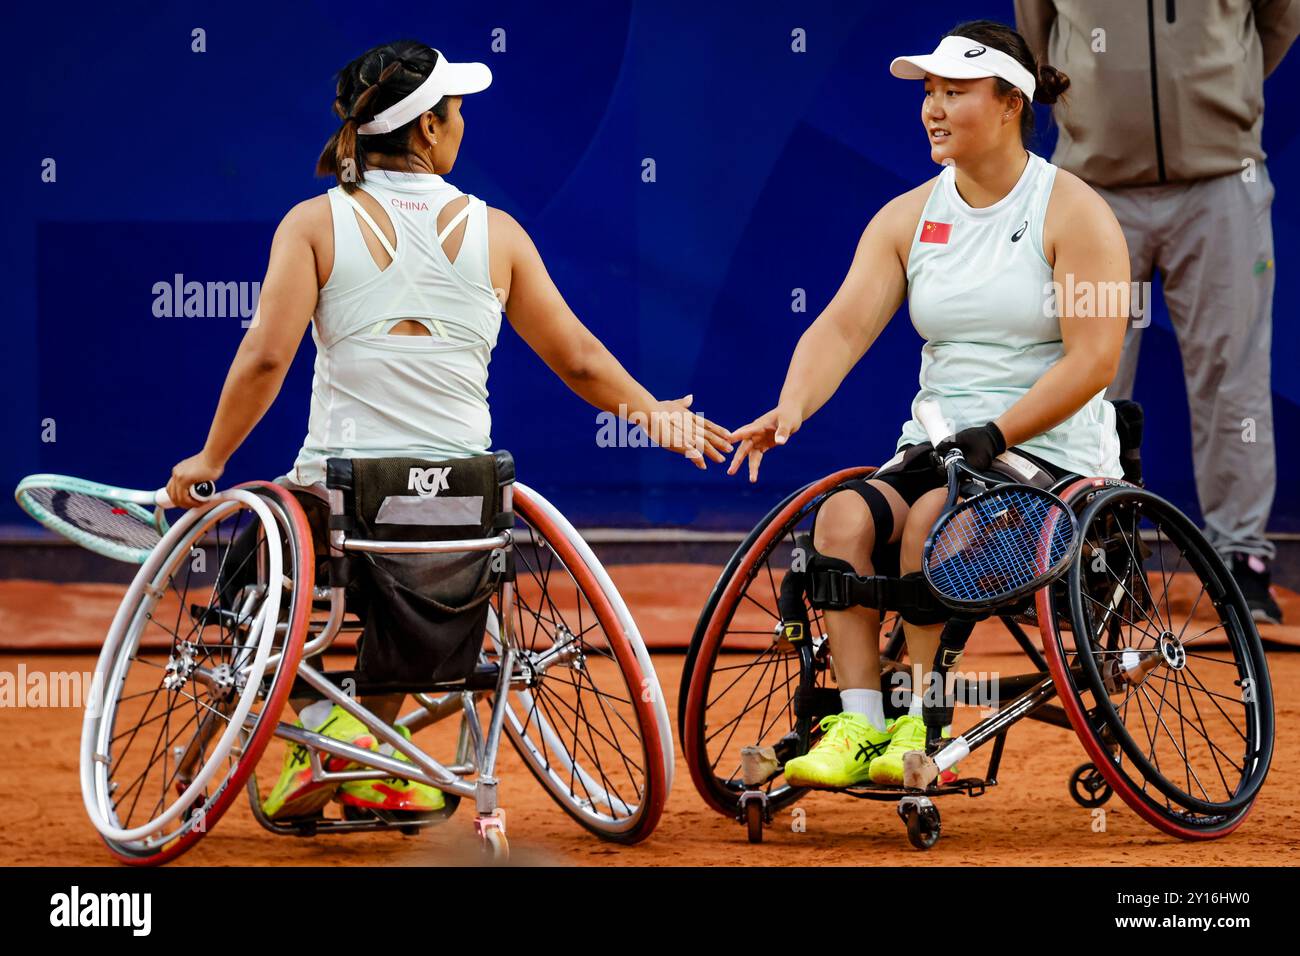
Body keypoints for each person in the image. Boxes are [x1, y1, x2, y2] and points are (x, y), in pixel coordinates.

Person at [164, 40, 734, 819]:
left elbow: (266, 358)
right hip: (464, 513)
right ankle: (349, 748)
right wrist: (655, 415)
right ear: (428, 131)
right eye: (456, 112)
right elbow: (579, 359)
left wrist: (210, 458)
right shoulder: (498, 233)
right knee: (422, 572)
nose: (462, 124)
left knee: (257, 559)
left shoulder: (312, 223)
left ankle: (325, 737)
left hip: (340, 506)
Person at [726, 20, 1129, 789]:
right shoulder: (908, 216)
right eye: (930, 93)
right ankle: (859, 722)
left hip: (1048, 455)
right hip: (942, 447)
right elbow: (843, 324)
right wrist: (790, 407)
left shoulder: (1076, 212)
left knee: (926, 525)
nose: (933, 108)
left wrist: (998, 431)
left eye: (955, 91)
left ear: (1011, 102)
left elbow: (1094, 360)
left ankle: (923, 717)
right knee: (841, 518)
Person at [1016, 0, 1299, 624]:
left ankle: (1241, 561)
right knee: (1082, 379)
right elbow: (1039, 29)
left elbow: (1278, 19)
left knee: (1234, 380)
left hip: (1224, 177)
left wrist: (1226, 87)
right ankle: (1085, 560)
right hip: (1092, 181)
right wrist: (1086, 102)